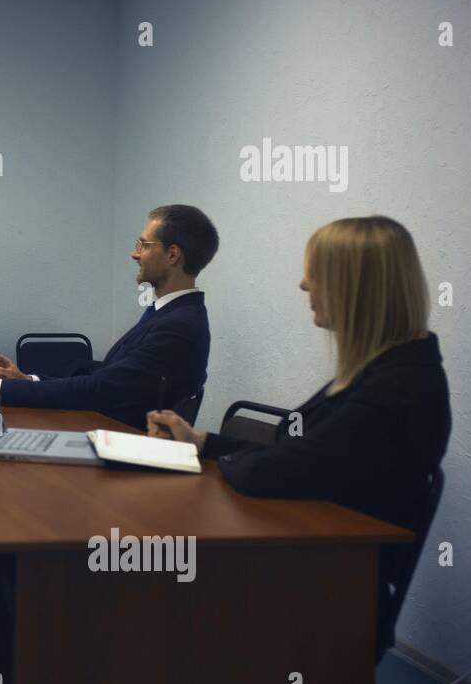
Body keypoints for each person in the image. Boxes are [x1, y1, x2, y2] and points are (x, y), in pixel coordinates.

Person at [147, 216, 450, 658]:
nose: (304, 285)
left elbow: (279, 470)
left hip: (324, 595)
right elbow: (297, 454)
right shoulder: (386, 370)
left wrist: (223, 458)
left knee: (149, 588)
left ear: (359, 287)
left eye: (318, 273)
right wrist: (202, 442)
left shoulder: (396, 389)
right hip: (311, 564)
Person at [0, 204, 217, 429]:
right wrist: (27, 380)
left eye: (144, 245)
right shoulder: (169, 314)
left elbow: (102, 389)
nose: (135, 254)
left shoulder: (179, 327)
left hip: (126, 447)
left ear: (172, 254)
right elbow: (108, 378)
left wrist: (3, 389)